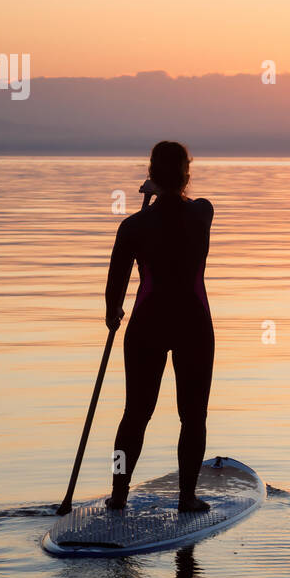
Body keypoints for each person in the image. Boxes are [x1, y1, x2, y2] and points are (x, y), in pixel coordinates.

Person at [104, 141, 215, 511]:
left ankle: (118, 495)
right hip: (193, 324)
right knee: (193, 416)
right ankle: (187, 497)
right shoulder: (202, 214)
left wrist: (112, 314)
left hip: (147, 324)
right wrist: (161, 191)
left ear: (150, 174)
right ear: (187, 174)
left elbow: (114, 289)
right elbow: (186, 204)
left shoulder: (133, 226)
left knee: (135, 414)